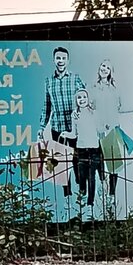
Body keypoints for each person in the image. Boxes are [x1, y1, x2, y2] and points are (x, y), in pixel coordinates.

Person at [91, 60, 133, 207]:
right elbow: (89, 108)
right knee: (99, 161)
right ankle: (102, 184)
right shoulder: (93, 88)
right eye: (103, 66)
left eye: (108, 68)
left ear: (111, 72)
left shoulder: (115, 90)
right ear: (99, 68)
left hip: (113, 130)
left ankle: (112, 195)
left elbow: (120, 108)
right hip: (98, 131)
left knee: (114, 164)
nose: (104, 69)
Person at [38, 46, 85, 198]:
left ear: (67, 60)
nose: (61, 61)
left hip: (75, 127)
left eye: (63, 58)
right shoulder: (49, 81)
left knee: (78, 160)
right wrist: (41, 127)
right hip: (57, 127)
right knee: (62, 163)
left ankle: (81, 191)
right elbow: (47, 106)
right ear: (54, 60)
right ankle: (67, 195)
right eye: (58, 58)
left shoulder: (75, 78)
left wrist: (83, 117)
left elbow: (85, 99)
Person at [59, 88, 103, 217]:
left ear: (88, 99)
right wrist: (65, 134)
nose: (82, 100)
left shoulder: (95, 113)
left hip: (94, 150)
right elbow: (74, 134)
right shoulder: (75, 115)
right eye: (79, 98)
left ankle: (90, 205)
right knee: (81, 178)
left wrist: (105, 126)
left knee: (92, 178)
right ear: (76, 101)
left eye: (84, 97)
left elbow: (100, 129)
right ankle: (82, 198)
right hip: (81, 150)